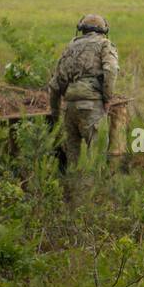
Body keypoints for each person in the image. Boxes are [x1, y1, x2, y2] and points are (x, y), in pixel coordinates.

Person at [46, 14, 119, 171]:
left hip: (69, 107)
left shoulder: (71, 46)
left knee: (72, 159)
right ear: (104, 30)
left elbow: (55, 84)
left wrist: (56, 114)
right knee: (97, 155)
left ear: (81, 30)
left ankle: (71, 190)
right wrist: (107, 98)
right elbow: (111, 70)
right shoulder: (104, 44)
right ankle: (94, 192)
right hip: (91, 105)